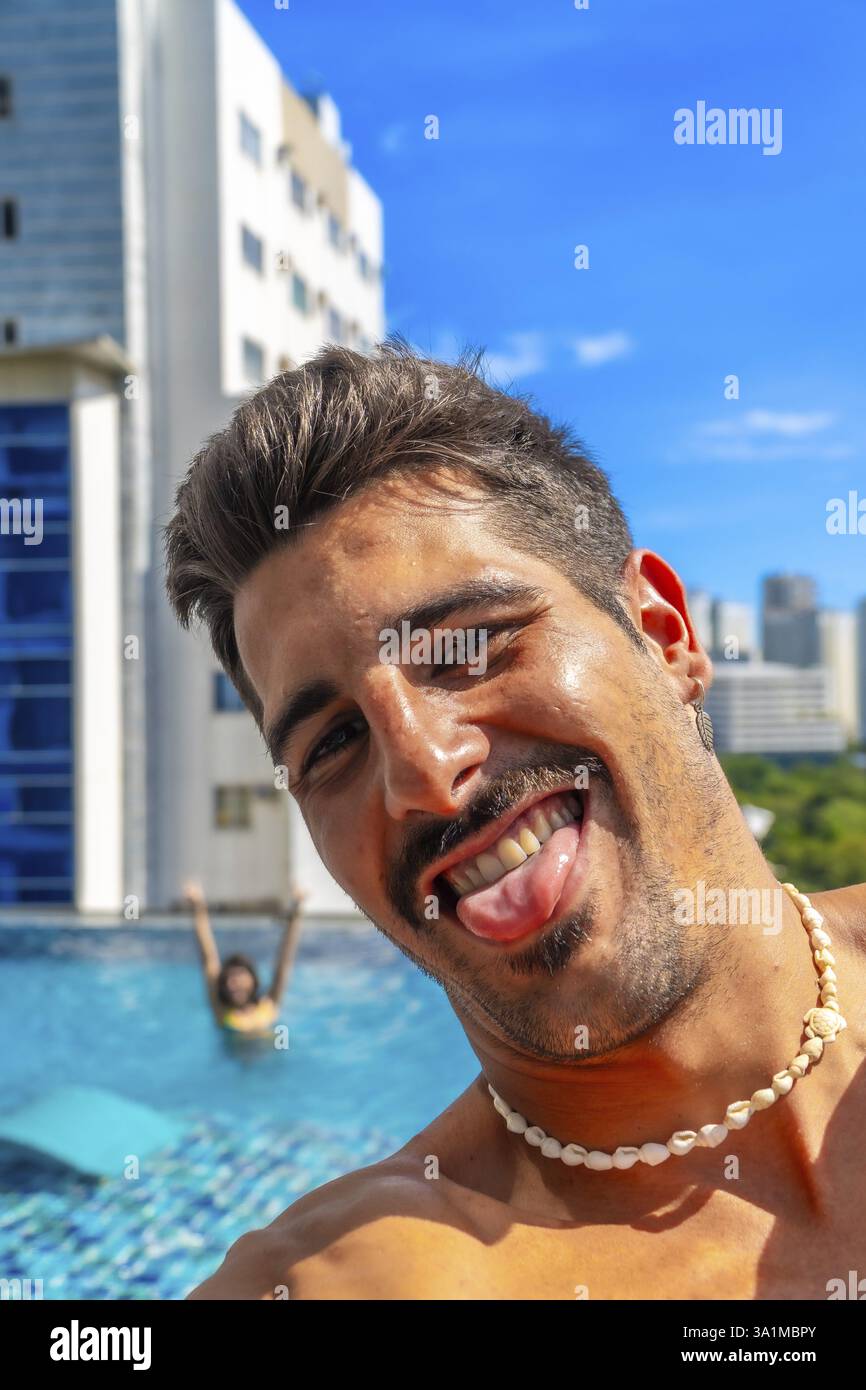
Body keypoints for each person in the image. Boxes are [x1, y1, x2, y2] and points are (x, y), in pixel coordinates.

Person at [166, 340, 866, 1300]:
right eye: (332, 743)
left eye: (466, 647)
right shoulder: (336, 1284)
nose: (421, 774)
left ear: (664, 635)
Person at [185, 880, 306, 1036]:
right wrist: (198, 908)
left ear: (253, 980)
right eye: (230, 978)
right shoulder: (222, 1012)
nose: (234, 982)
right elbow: (208, 959)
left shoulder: (270, 1003)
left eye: (239, 975)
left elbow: (284, 962)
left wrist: (297, 909)